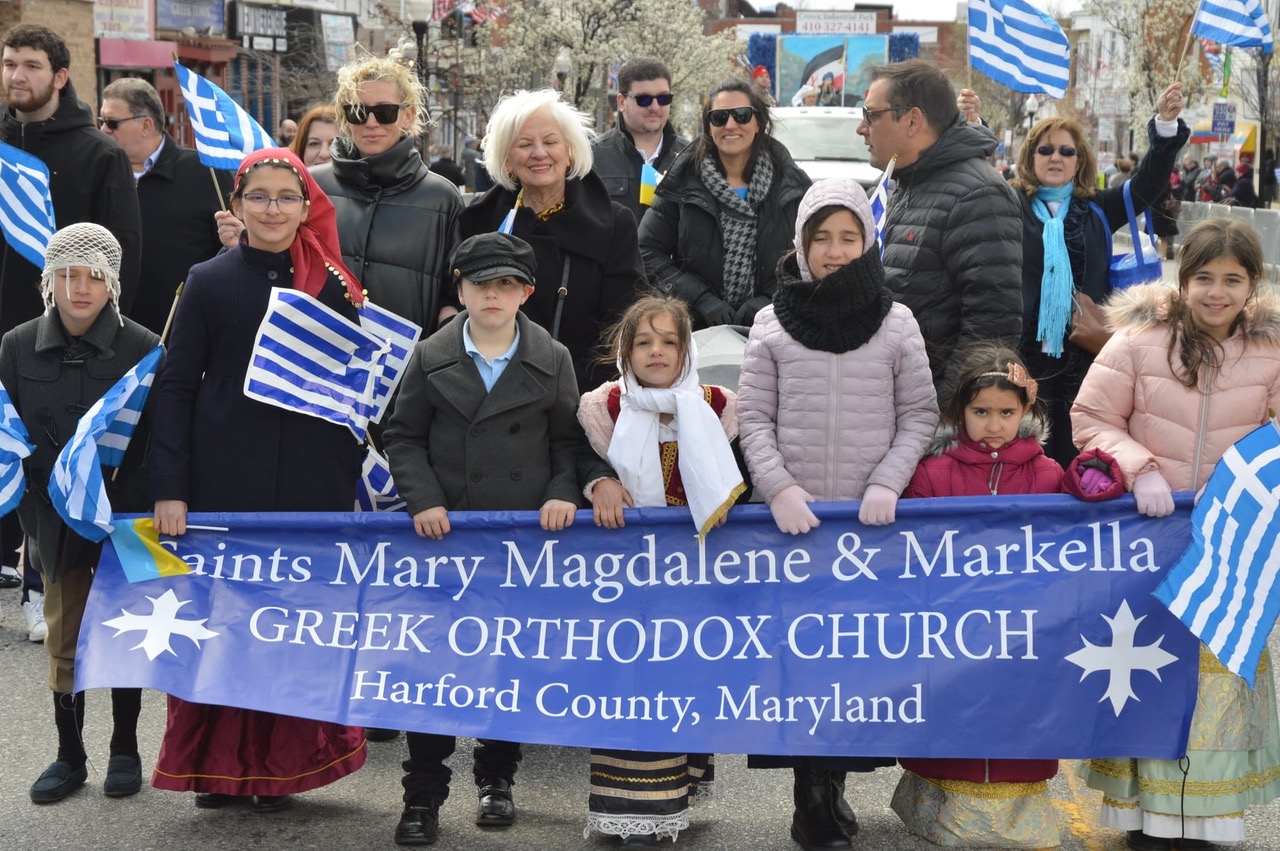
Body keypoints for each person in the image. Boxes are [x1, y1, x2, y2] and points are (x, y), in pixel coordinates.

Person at [149, 148, 369, 812]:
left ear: (306, 207)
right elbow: (176, 387)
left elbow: (356, 389)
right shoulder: (207, 280)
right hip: (223, 480)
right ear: (238, 204)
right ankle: (215, 769)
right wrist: (170, 487)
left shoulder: (336, 286)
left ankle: (280, 768)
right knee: (221, 624)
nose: (273, 209)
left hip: (310, 482)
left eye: (286, 197)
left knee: (290, 623)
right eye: (259, 197)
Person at [383, 231, 610, 846]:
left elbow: (567, 441)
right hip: (447, 537)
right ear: (459, 290)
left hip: (520, 541)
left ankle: (497, 778)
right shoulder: (428, 356)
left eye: (506, 284)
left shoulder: (552, 357)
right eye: (480, 283)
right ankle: (422, 794)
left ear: (526, 293)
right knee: (433, 668)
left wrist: (562, 492)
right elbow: (402, 436)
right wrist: (424, 500)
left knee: (506, 663)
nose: (493, 294)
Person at [736, 178, 938, 851]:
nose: (834, 249)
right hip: (792, 529)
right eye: (821, 237)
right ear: (801, 242)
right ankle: (810, 795)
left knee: (851, 664)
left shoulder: (896, 321)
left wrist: (886, 483)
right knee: (800, 664)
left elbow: (918, 415)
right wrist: (777, 488)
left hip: (865, 532)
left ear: (868, 241)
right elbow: (753, 418)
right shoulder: (771, 323)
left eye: (849, 237)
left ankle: (835, 782)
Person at [1072, 218, 1280, 851]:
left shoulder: (1272, 349)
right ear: (1182, 279)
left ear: (1252, 285)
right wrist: (1141, 470)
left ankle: (1204, 816)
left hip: (1231, 540)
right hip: (1150, 533)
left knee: (1216, 673)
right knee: (1150, 666)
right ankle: (1147, 816)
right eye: (1204, 278)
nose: (1217, 293)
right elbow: (1092, 416)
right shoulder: (1139, 340)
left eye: (1232, 280)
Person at [891, 344, 1122, 849]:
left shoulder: (1046, 473)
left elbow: (1076, 531)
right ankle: (940, 807)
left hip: (1023, 629)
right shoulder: (932, 472)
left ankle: (1018, 809)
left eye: (1006, 412)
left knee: (1020, 715)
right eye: (980, 412)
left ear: (1026, 411)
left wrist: (1096, 479)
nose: (993, 424)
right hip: (952, 627)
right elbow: (910, 548)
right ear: (960, 411)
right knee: (953, 715)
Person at [577, 294, 746, 847]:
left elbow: (738, 476)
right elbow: (578, 459)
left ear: (686, 349)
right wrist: (599, 481)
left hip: (696, 576)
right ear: (625, 351)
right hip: (625, 577)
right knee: (628, 684)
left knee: (681, 681)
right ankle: (625, 810)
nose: (657, 351)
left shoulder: (718, 405)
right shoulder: (604, 407)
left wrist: (729, 502)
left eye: (669, 342)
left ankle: (673, 800)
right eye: (644, 342)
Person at [0, 223, 160, 805]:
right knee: (65, 638)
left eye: (94, 276)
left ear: (112, 283)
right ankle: (69, 754)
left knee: (127, 631)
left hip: (124, 516)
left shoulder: (144, 346)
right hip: (52, 517)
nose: (80, 288)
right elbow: (9, 435)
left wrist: (126, 496)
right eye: (67, 275)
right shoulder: (16, 345)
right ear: (49, 282)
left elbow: (155, 437)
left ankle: (125, 747)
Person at [961, 81, 1188, 468]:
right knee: (1018, 459)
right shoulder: (1008, 201)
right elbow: (977, 173)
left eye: (1067, 151)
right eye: (1045, 150)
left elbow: (1149, 183)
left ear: (1079, 161)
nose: (1056, 157)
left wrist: (1166, 126)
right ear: (1030, 157)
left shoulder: (1099, 207)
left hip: (1085, 358)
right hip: (1018, 355)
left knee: (1074, 457)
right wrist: (973, 124)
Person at [1, 24, 143, 642]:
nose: (17, 75)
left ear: (60, 76)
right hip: (5, 342)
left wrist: (104, 340)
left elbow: (124, 258)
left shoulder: (99, 154)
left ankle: (41, 588)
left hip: (65, 346)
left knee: (49, 465)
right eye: (9, 63)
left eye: (31, 65)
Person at [858, 59, 1022, 405]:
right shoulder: (893, 184)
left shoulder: (979, 195)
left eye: (870, 115)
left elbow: (991, 328)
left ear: (912, 120)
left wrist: (944, 413)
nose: (861, 128)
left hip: (927, 412)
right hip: (880, 401)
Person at [464, 88, 646, 391]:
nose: (539, 153)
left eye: (550, 142)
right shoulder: (480, 221)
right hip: (490, 390)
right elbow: (457, 307)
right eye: (524, 144)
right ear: (507, 160)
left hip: (579, 391)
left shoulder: (614, 224)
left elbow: (624, 320)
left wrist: (575, 388)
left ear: (570, 151)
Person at [639, 78, 811, 331]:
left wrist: (768, 299)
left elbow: (808, 257)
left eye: (742, 115)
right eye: (719, 117)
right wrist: (700, 299)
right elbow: (647, 250)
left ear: (758, 123)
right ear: (709, 127)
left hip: (775, 326)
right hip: (696, 328)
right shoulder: (683, 181)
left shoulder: (790, 186)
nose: (730, 125)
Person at [313, 52, 463, 334]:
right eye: (358, 112)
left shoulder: (441, 198)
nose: (371, 123)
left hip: (411, 358)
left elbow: (455, 292)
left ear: (408, 115)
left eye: (385, 112)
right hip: (318, 354)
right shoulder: (313, 185)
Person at [98, 77, 233, 336]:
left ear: (146, 125)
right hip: (113, 332)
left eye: (112, 123)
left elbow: (232, 248)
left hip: (185, 330)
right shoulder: (100, 173)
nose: (103, 130)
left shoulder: (204, 172)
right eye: (101, 121)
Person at [591, 57, 690, 227]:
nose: (655, 107)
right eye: (644, 99)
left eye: (663, 99)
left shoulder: (691, 158)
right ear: (622, 102)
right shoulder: (592, 156)